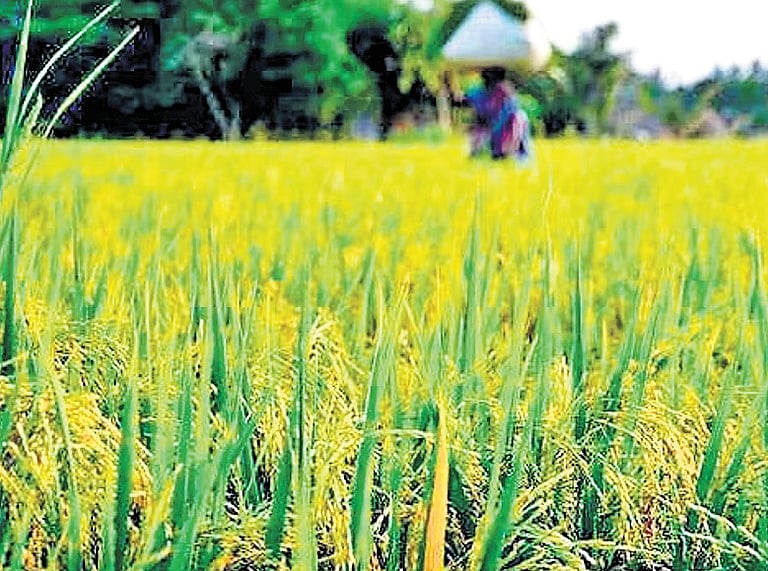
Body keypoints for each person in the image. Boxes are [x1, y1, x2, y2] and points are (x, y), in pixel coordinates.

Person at [465, 67, 531, 161]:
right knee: (480, 128)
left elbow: (510, 118)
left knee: (519, 117)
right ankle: (485, 153)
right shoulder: (478, 93)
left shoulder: (507, 96)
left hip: (506, 134)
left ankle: (507, 153)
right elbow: (463, 102)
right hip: (489, 132)